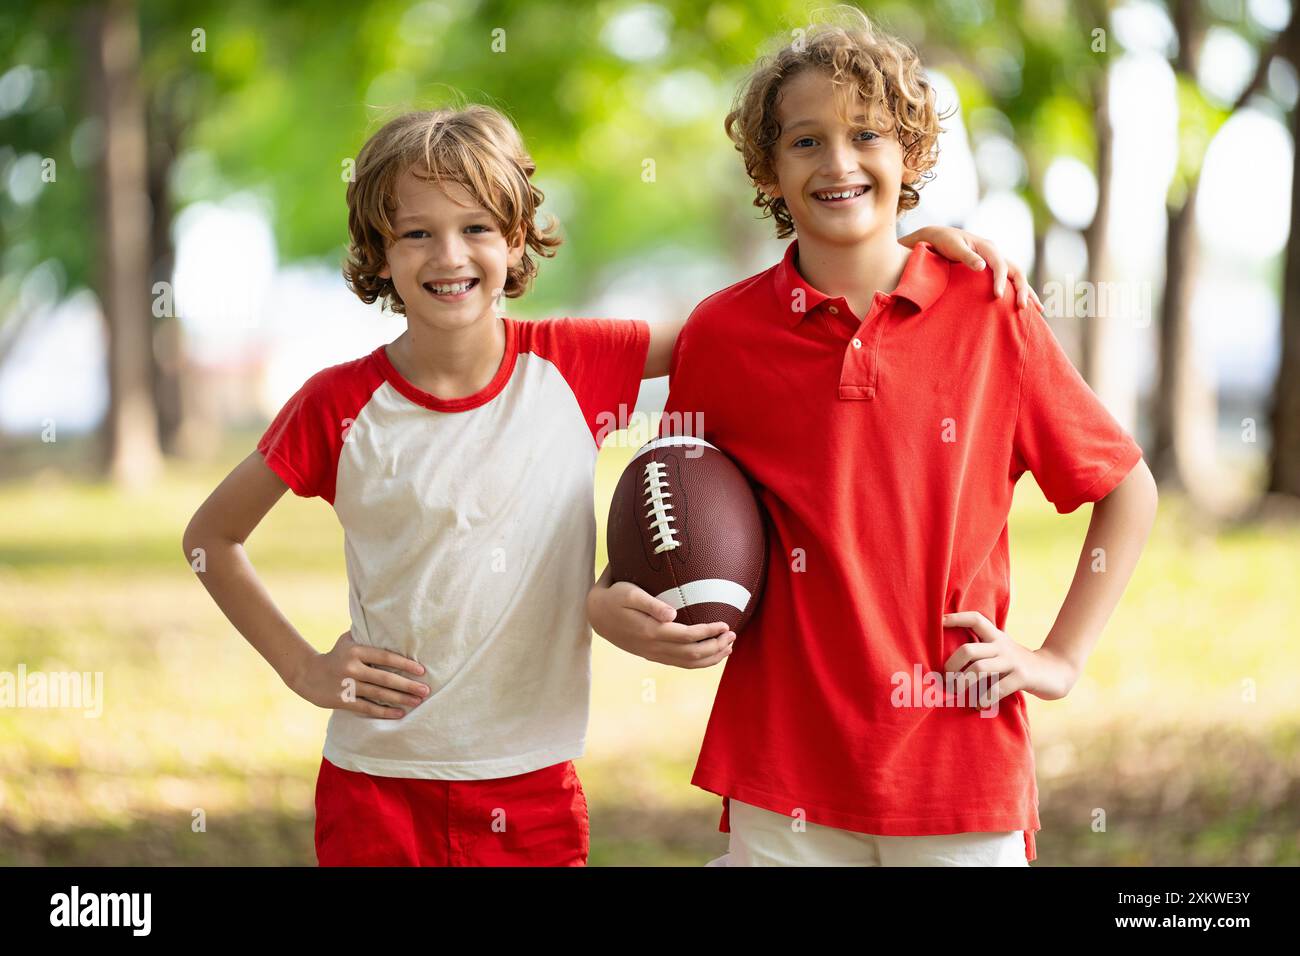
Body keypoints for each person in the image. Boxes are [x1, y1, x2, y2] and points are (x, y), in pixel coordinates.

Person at [183, 101, 1035, 866]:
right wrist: (301, 666)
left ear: (516, 240)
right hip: (374, 780)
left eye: (478, 227)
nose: (450, 256)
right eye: (415, 234)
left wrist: (884, 252)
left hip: (532, 781)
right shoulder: (339, 404)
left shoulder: (573, 365)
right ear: (379, 251)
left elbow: (742, 324)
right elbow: (210, 540)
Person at [586, 8, 1158, 866]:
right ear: (769, 172)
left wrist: (1058, 659)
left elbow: (1124, 489)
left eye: (866, 134)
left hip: (959, 765)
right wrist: (611, 607)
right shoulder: (724, 335)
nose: (840, 162)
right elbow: (674, 506)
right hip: (785, 770)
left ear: (912, 156)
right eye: (806, 142)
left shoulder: (989, 311)